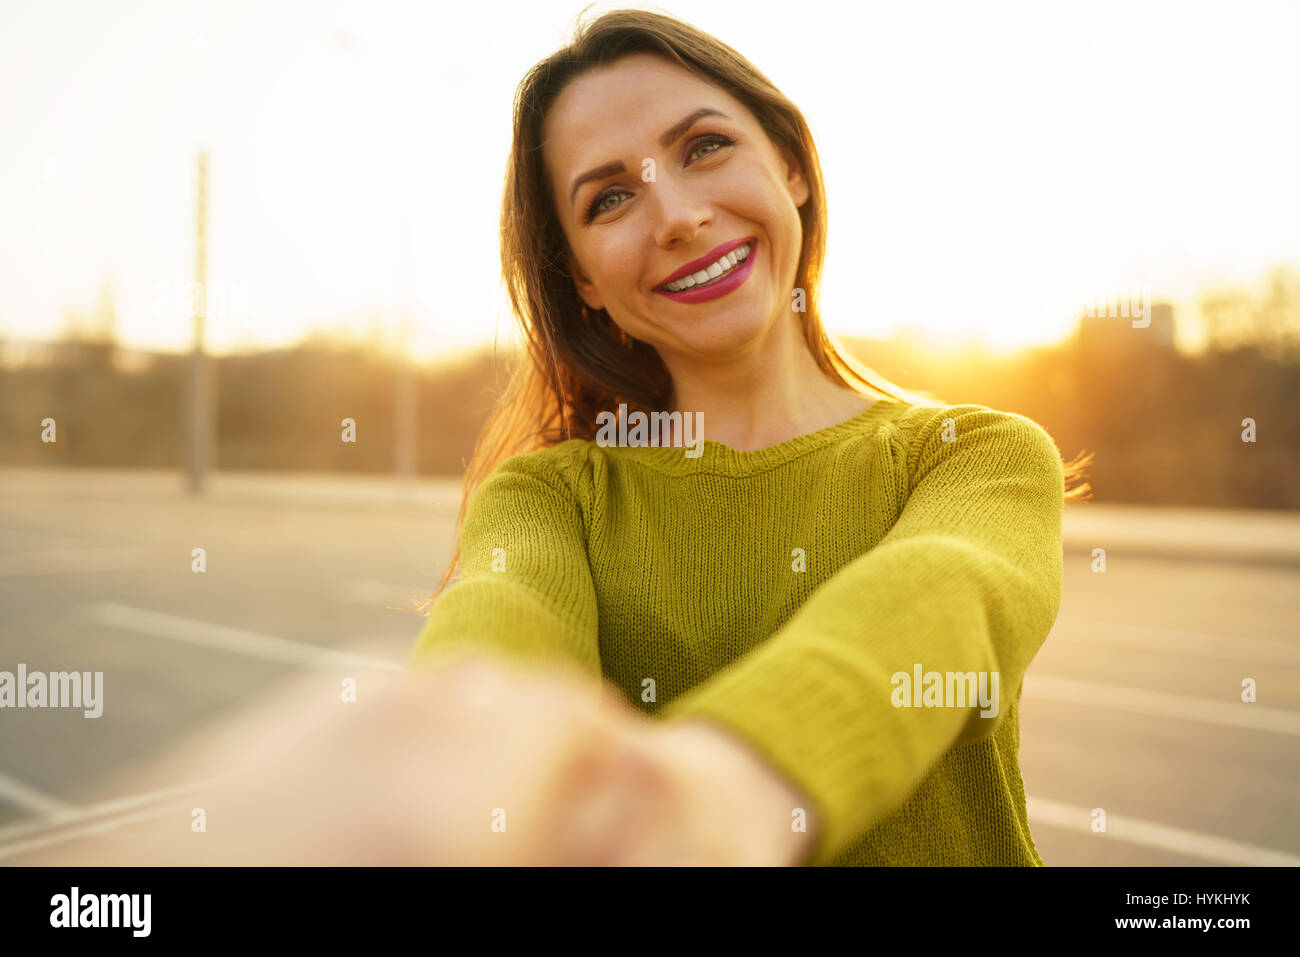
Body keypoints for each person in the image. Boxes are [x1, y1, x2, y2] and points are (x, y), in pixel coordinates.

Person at [404, 7, 1091, 868]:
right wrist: (442, 779)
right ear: (581, 274)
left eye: (704, 148)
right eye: (610, 197)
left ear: (792, 166)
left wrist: (713, 797)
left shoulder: (975, 453)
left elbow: (941, 598)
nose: (679, 216)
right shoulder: (549, 499)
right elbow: (498, 636)